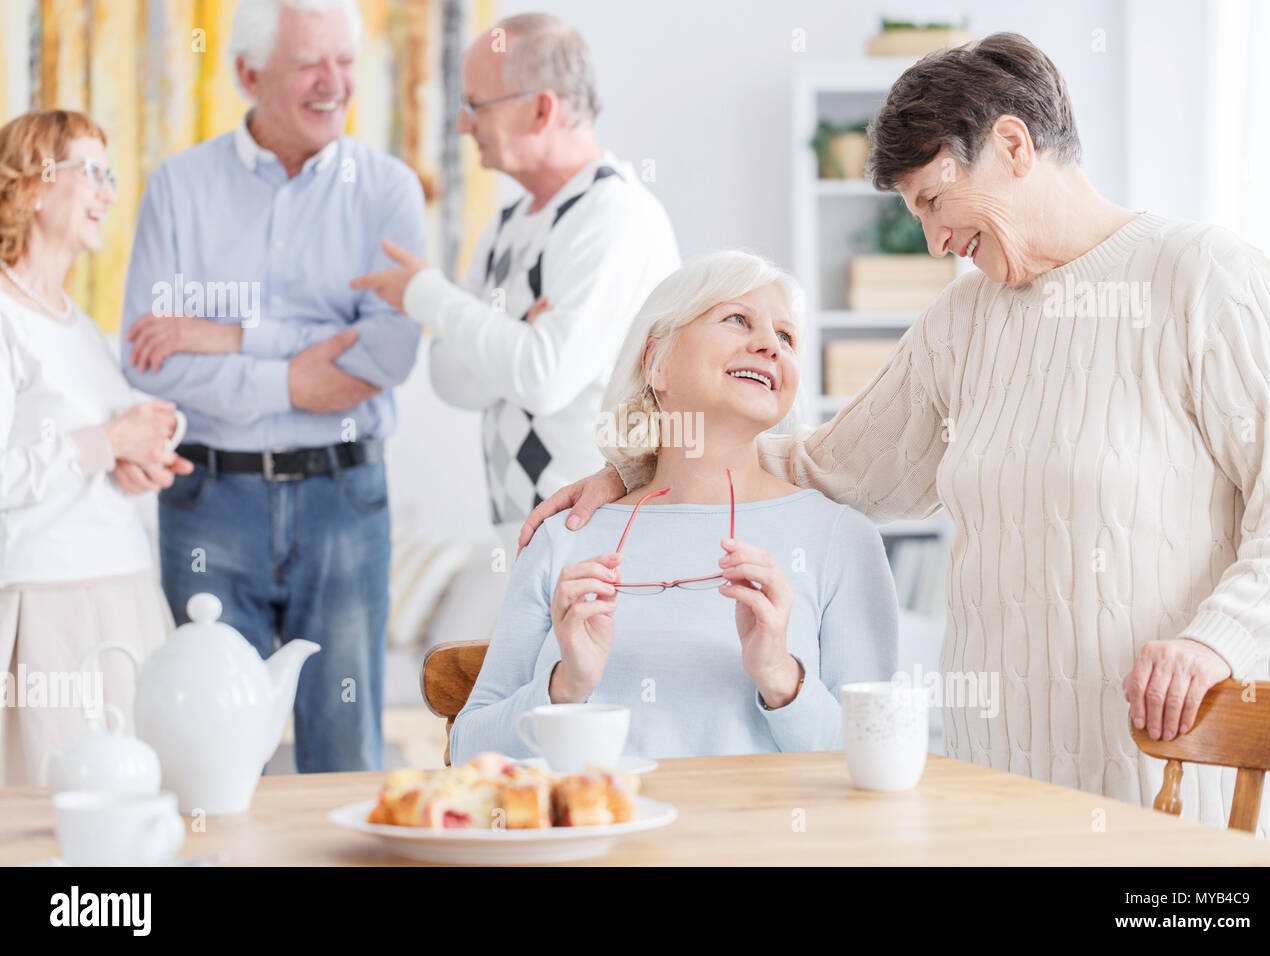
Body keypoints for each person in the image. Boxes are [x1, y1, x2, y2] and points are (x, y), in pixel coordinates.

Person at [520, 34, 1270, 839]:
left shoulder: (1203, 278)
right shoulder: (961, 322)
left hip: (1168, 759)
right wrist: (645, 470)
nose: (934, 242)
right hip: (997, 779)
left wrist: (1215, 641)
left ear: (1011, 145)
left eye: (933, 201)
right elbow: (834, 467)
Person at [120, 0, 426, 772]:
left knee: (345, 747)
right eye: (308, 65)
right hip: (209, 501)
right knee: (211, 749)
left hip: (344, 500)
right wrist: (300, 373)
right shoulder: (179, 187)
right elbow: (152, 360)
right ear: (249, 74)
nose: (334, 84)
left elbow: (385, 355)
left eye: (346, 62)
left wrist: (231, 336)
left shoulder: (388, 190)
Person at [450, 252, 897, 762]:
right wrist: (564, 688)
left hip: (765, 840)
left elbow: (877, 760)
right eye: (737, 319)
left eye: (787, 337)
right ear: (655, 362)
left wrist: (780, 676)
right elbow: (469, 751)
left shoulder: (843, 539)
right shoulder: (566, 535)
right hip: (601, 835)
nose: (770, 346)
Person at [351, 12, 680, 550]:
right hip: (530, 532)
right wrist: (512, 336)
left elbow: (541, 378)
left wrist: (427, 295)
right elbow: (450, 379)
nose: (462, 124)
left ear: (541, 108)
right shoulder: (508, 222)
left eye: (476, 105)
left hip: (601, 533)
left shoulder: (615, 215)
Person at [0, 110, 191, 786]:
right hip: (48, 604)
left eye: (113, 176)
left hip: (125, 592)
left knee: (136, 806)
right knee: (54, 816)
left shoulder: (78, 324)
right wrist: (108, 440)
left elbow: (83, 455)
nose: (110, 192)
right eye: (93, 173)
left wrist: (134, 459)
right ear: (33, 185)